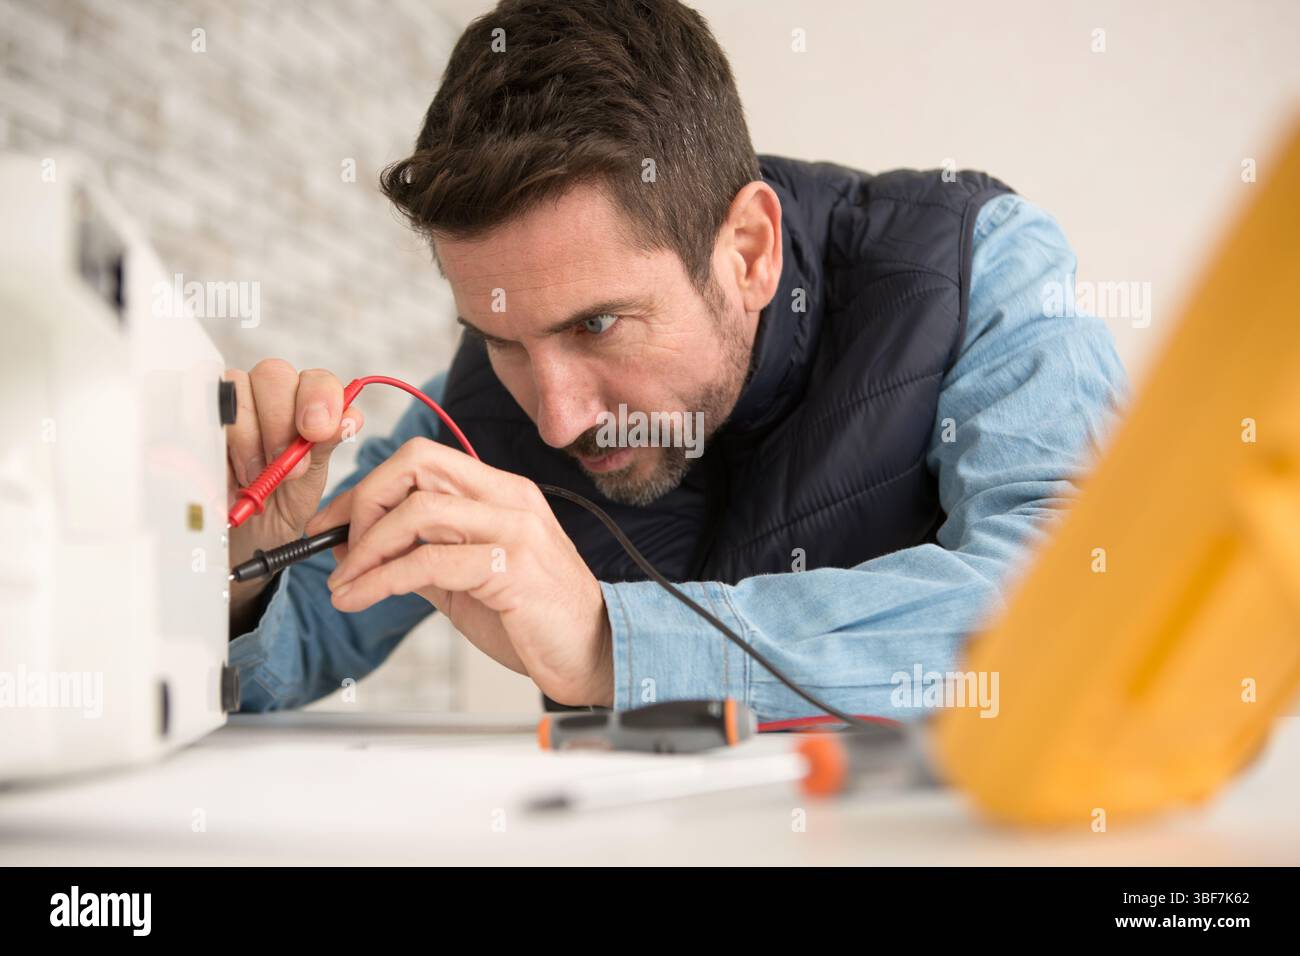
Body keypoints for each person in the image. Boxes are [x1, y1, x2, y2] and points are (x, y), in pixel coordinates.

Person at [225, 0, 1128, 719]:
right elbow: (280, 659)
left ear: (747, 251)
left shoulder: (979, 267)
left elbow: (1079, 605)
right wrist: (246, 578)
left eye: (598, 326)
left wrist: (614, 645)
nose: (556, 418)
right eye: (501, 338)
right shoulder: (479, 412)